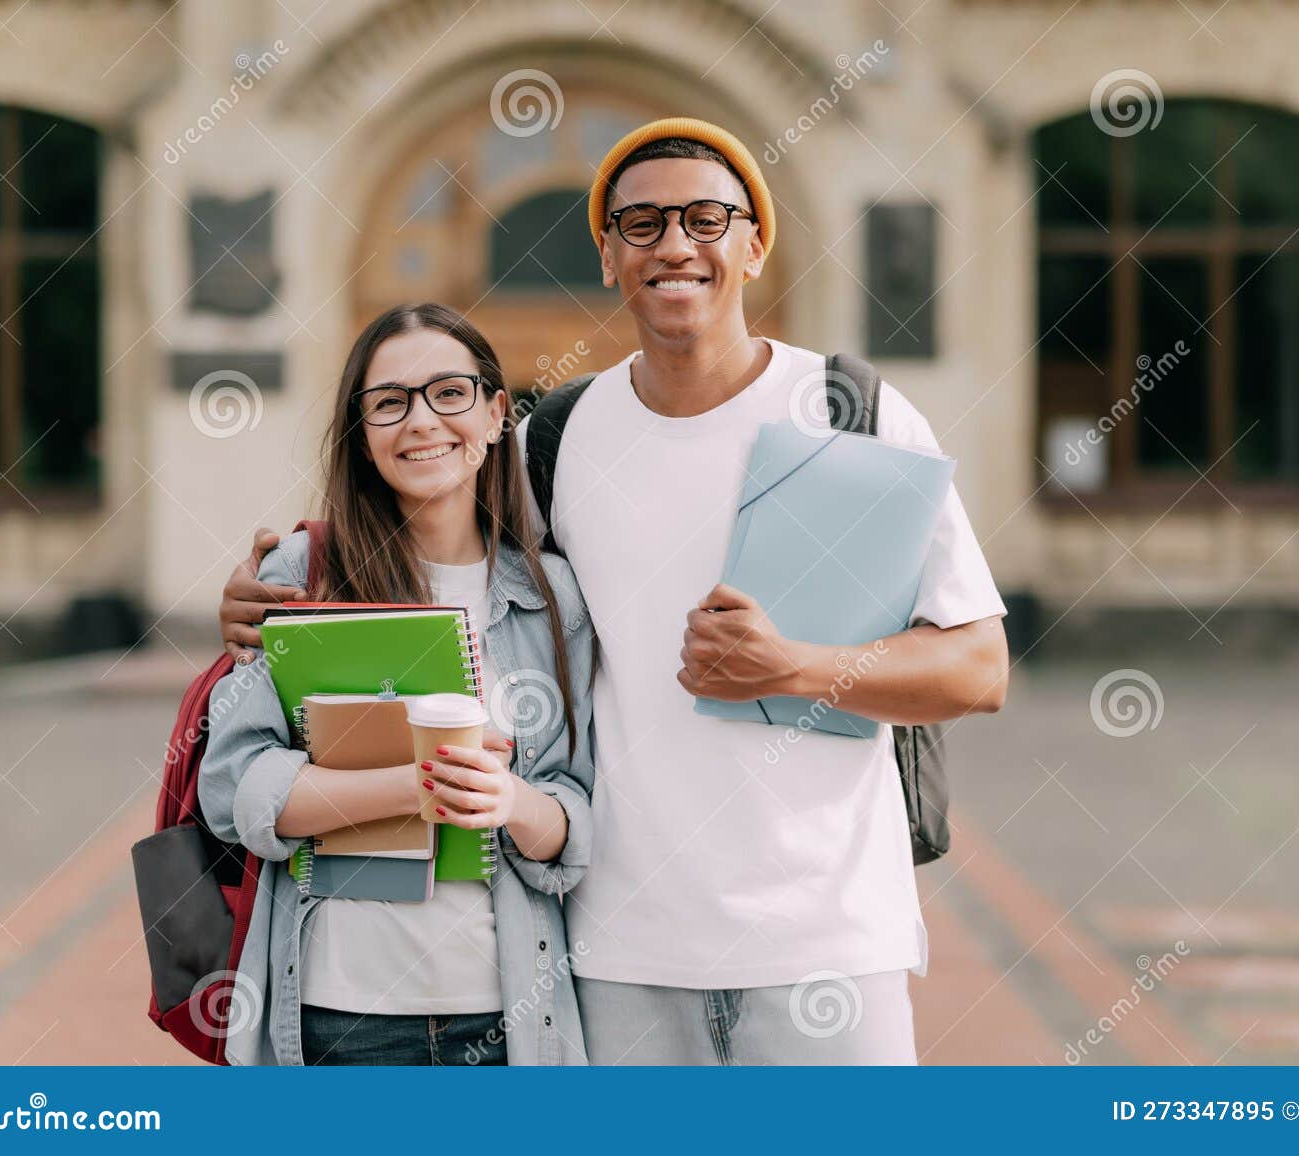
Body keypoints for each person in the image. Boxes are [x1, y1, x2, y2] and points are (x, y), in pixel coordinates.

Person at [220, 119, 1008, 1065]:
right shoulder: (557, 437)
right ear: (608, 256)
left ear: (756, 243)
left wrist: (796, 666)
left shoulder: (852, 415)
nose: (675, 244)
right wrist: (285, 575)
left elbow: (977, 666)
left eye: (708, 218)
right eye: (642, 224)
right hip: (616, 949)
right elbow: (428, 505)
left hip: (828, 942)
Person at [199, 302, 595, 1065]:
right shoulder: (299, 579)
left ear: (494, 413)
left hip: (509, 1020)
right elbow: (235, 789)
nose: (421, 422)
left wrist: (508, 800)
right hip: (340, 1018)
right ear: (362, 433)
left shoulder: (555, 600)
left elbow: (576, 823)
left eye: (449, 393)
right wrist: (416, 786)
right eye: (389, 403)